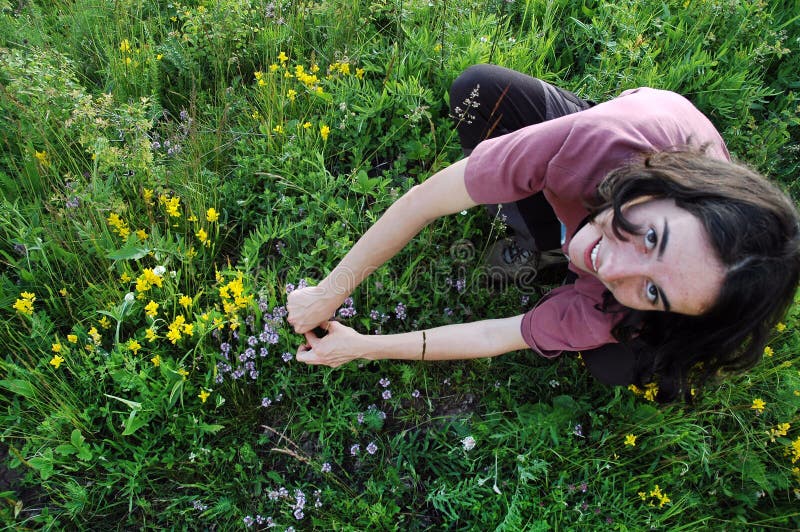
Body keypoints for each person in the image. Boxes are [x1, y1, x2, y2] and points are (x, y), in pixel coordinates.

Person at [286, 64, 800, 401]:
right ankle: (546, 241)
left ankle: (557, 248)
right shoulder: (594, 142)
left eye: (654, 291)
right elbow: (425, 200)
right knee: (479, 91)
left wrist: (360, 346)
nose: (611, 267)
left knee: (616, 362)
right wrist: (332, 289)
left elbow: (495, 335)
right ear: (662, 192)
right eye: (650, 238)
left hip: (637, 199)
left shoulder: (637, 312)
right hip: (618, 147)